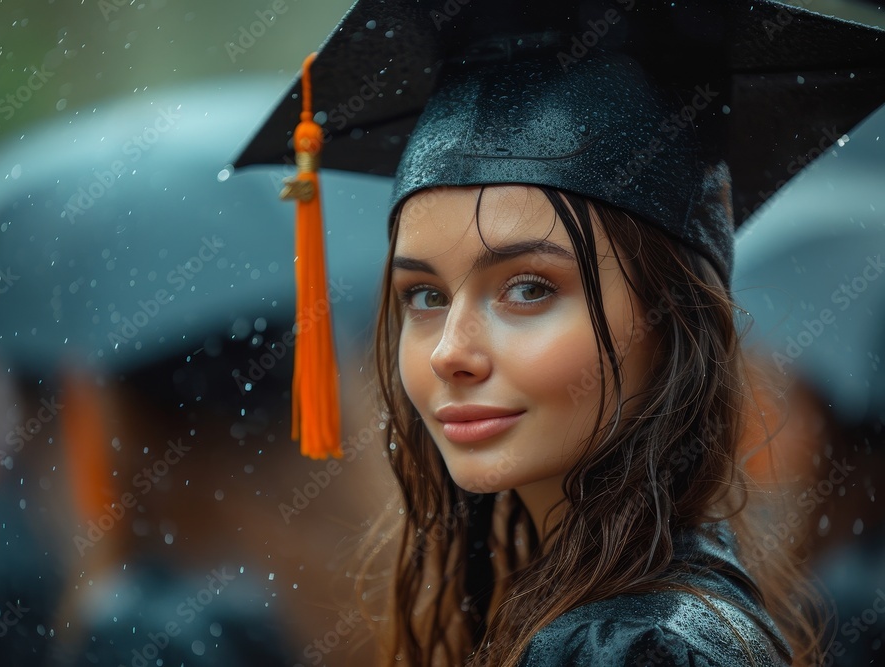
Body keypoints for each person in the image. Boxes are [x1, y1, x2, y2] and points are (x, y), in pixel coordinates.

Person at [234, 0, 885, 664]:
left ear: (670, 321)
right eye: (424, 295)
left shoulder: (631, 645)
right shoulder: (655, 613)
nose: (452, 351)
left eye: (529, 288)